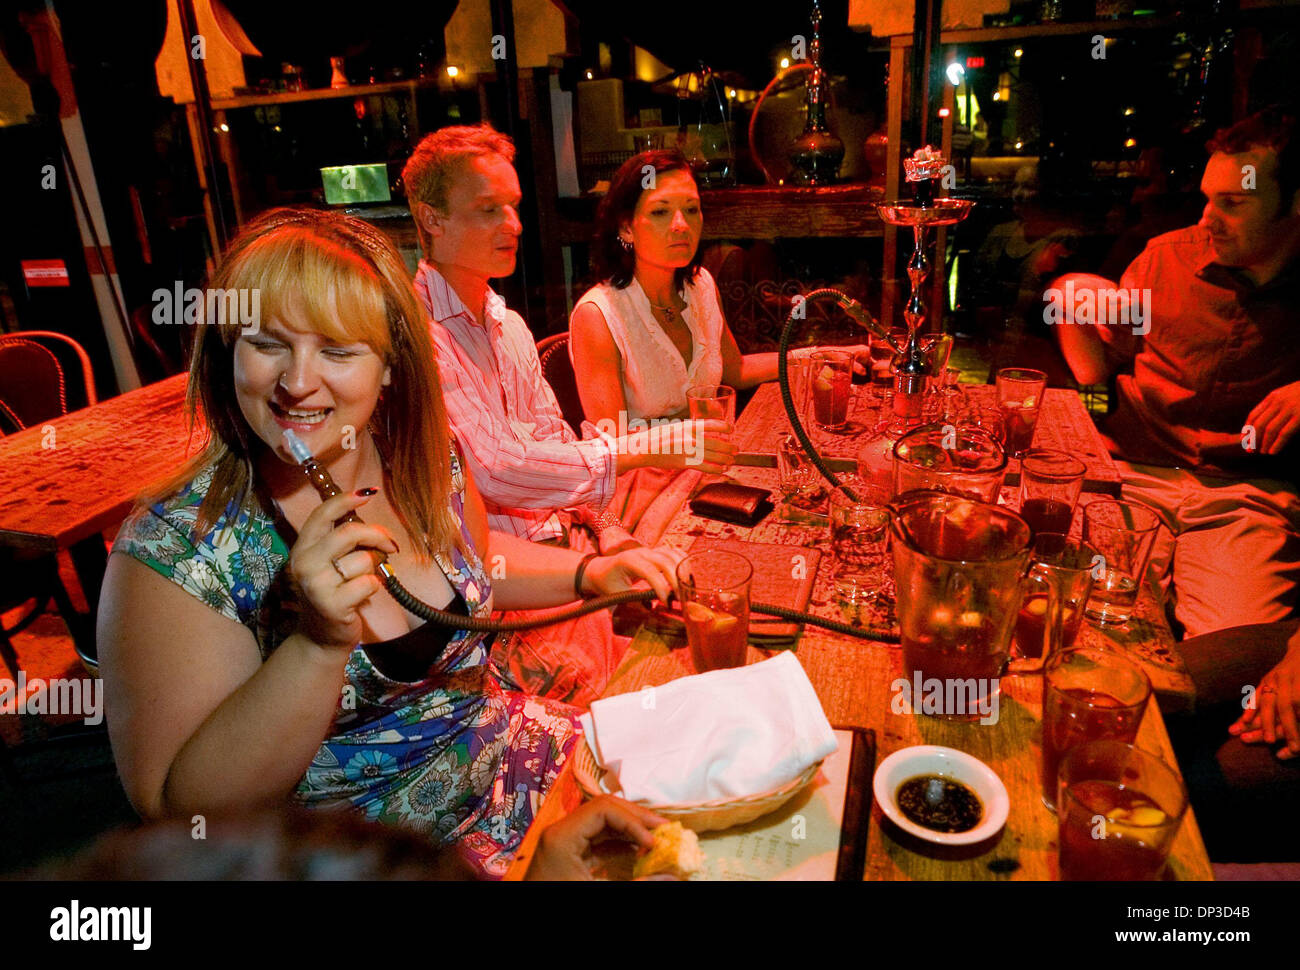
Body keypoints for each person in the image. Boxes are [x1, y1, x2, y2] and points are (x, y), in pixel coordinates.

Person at [97, 208, 685, 879]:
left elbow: (472, 560)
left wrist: (590, 572)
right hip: (369, 859)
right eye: (267, 343)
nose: (296, 382)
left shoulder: (423, 459)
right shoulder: (176, 550)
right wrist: (317, 645)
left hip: (525, 766)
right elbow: (183, 812)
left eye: (338, 351)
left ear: (390, 369)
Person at [401, 126, 734, 706]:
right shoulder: (417, 337)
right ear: (431, 220)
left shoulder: (506, 325)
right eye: (489, 210)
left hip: (570, 546)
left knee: (714, 603)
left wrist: (611, 535)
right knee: (658, 687)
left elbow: (553, 438)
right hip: (503, 593)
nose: (515, 225)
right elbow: (497, 469)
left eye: (514, 206)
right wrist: (649, 448)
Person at [1051, 106, 1300, 640]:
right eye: (1208, 198)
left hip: (1245, 498)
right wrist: (1070, 297)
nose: (1208, 219)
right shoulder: (1166, 260)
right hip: (1136, 478)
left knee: (1234, 653)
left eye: (1233, 203)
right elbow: (1094, 369)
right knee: (1078, 620)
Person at [569, 150, 862, 426]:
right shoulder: (597, 316)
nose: (681, 224)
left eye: (691, 209)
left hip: (710, 457)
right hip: (645, 476)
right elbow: (613, 447)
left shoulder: (700, 286)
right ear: (626, 228)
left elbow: (736, 371)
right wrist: (696, 430)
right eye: (661, 212)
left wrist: (823, 355)